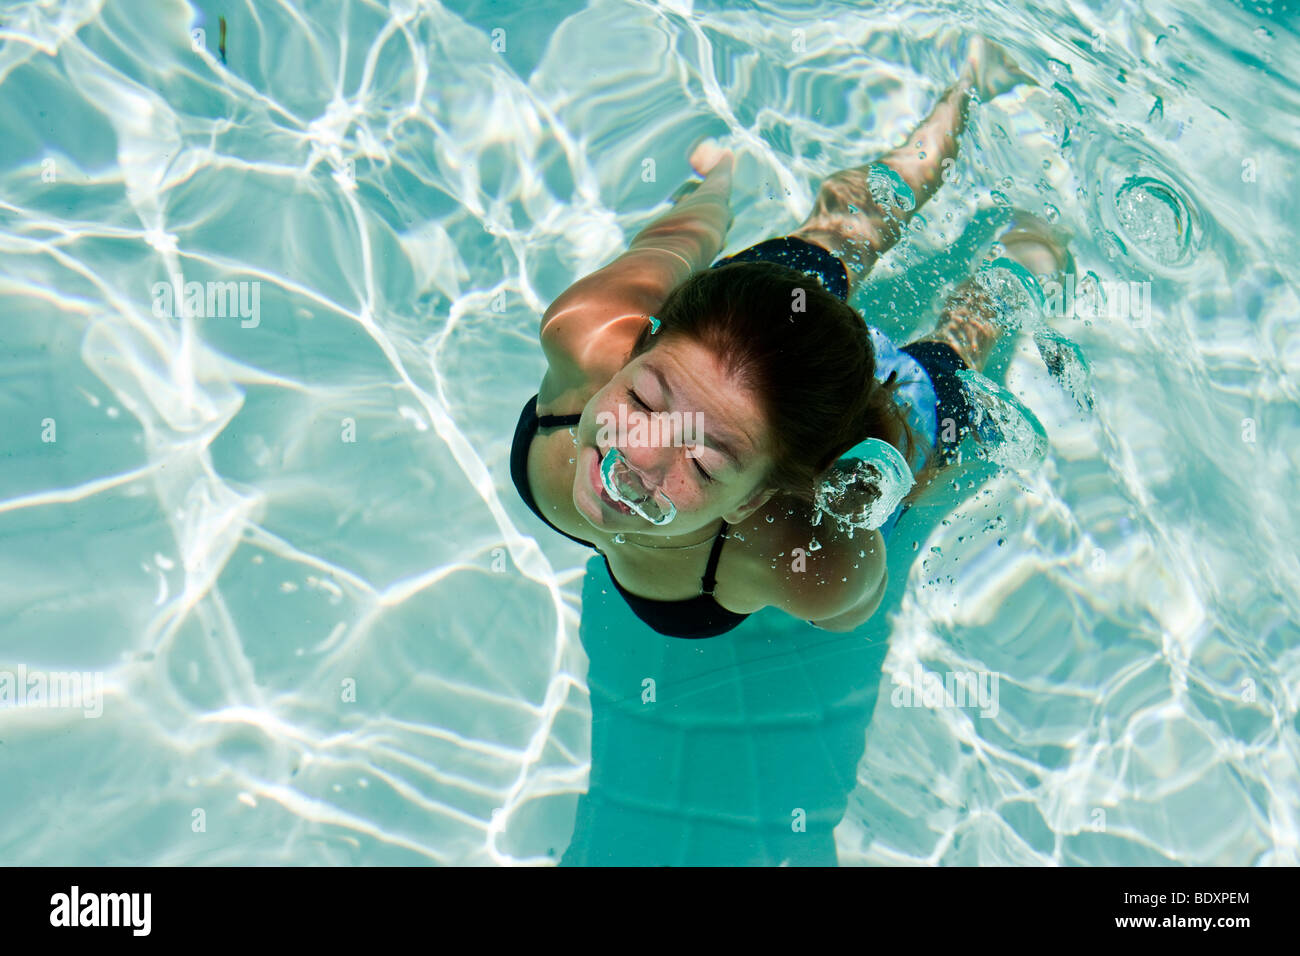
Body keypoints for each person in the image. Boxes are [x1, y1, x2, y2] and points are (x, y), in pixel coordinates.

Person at [509, 38, 1069, 638]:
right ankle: (966, 92)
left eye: (701, 463)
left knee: (966, 338)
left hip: (884, 417)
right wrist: (716, 184)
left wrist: (858, 510)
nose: (637, 456)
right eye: (643, 399)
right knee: (848, 229)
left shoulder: (802, 558)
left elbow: (857, 607)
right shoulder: (587, 329)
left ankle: (1038, 235)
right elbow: (681, 237)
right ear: (638, 345)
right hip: (770, 325)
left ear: (754, 501)